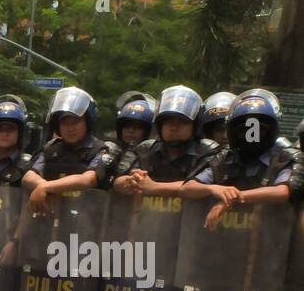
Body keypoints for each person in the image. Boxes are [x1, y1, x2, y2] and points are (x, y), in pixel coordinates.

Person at [181, 88, 304, 227]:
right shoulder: (224, 158)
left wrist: (233, 198)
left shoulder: (283, 158)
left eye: (260, 129)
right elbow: (187, 189)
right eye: (244, 129)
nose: (252, 134)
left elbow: (282, 191)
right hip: (221, 242)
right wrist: (214, 189)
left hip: (270, 242)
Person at [22, 86, 121, 214]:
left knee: (73, 235)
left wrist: (45, 187)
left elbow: (88, 179)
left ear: (88, 121)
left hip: (81, 226)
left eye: (76, 122)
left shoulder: (101, 150)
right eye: (64, 123)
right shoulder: (50, 148)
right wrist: (42, 186)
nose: (70, 128)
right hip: (47, 224)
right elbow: (29, 176)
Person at [111, 85, 217, 197]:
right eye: (168, 122)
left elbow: (200, 185)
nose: (174, 128)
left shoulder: (208, 151)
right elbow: (118, 180)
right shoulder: (146, 149)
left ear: (195, 126)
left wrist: (154, 187)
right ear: (159, 125)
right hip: (147, 214)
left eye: (182, 122)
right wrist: (131, 181)